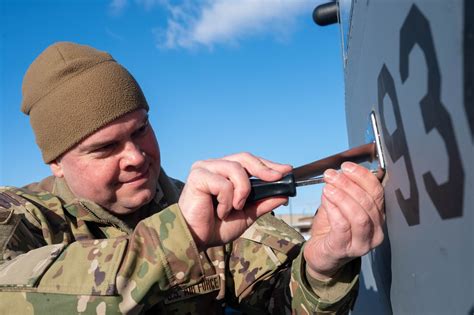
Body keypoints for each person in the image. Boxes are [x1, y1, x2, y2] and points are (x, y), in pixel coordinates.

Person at [0, 42, 385, 314]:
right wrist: (178, 239)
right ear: (57, 162)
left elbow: (284, 303)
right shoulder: (19, 216)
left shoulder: (205, 209)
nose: (135, 156)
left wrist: (321, 266)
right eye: (104, 148)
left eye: (140, 130)